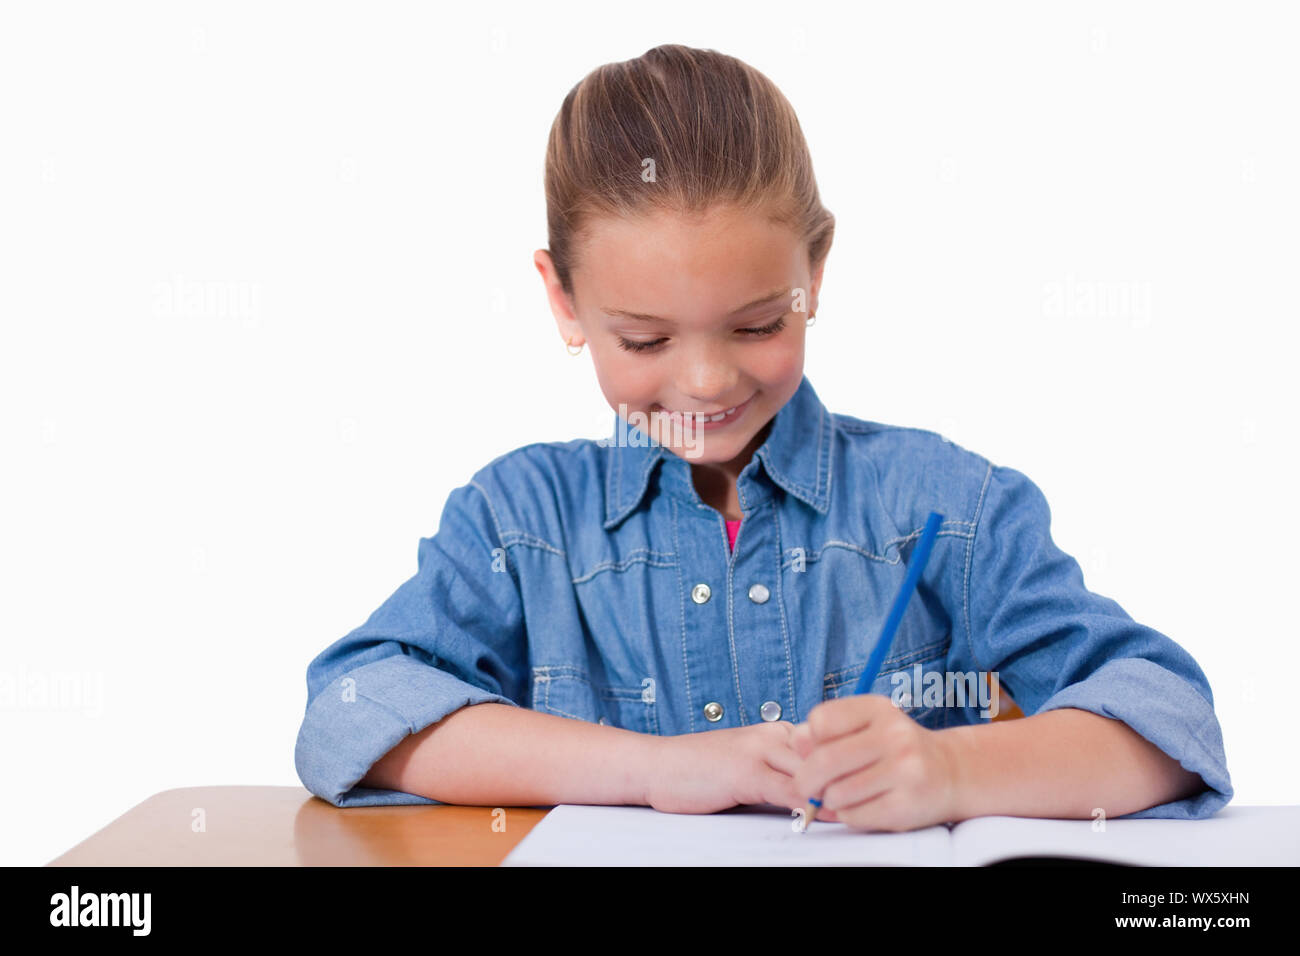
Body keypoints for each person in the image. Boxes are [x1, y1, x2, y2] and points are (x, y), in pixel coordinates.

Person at [294, 44, 1230, 831]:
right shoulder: (517, 522)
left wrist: (952, 774)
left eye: (754, 326)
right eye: (645, 339)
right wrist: (655, 771)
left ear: (813, 273)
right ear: (563, 299)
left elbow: (1167, 718)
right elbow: (350, 714)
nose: (704, 382)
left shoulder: (948, 509)